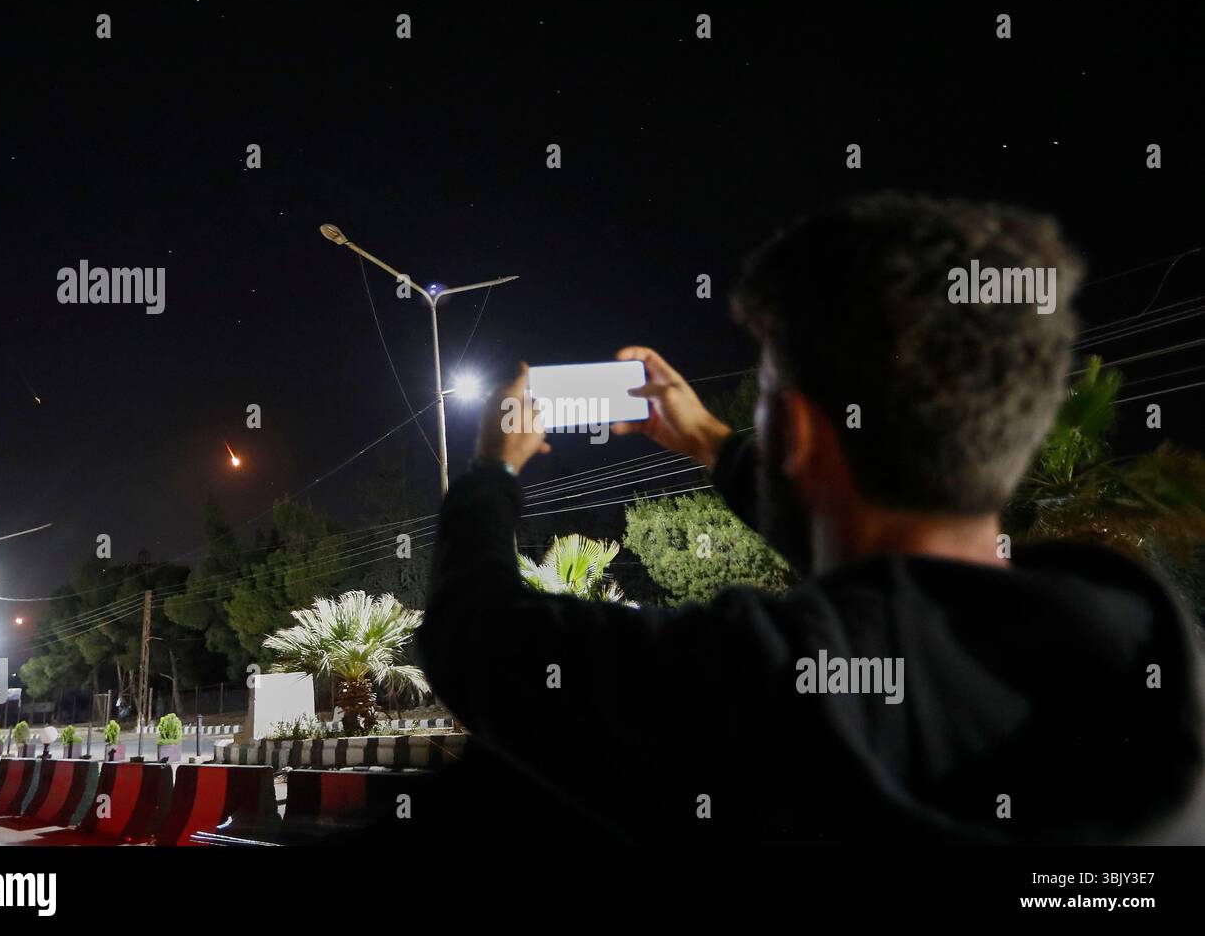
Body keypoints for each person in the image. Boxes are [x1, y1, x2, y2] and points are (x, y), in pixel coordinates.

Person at [417, 193, 1205, 844]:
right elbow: (890, 562)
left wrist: (493, 471)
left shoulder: (765, 683)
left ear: (794, 432)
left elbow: (475, 635)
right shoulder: (1143, 644)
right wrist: (716, 445)